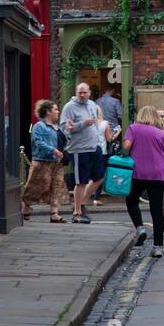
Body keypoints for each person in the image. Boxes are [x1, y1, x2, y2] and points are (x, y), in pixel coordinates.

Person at [120, 105, 164, 257]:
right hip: (157, 176)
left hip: (137, 174)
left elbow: (126, 147)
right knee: (157, 209)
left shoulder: (133, 129)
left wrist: (124, 152)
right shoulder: (162, 135)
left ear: (140, 115)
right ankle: (158, 247)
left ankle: (140, 228)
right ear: (155, 116)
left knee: (132, 200)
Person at [59, 81, 105, 224]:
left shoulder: (92, 104)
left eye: (85, 92)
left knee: (99, 177)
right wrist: (82, 124)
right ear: (76, 92)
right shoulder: (69, 107)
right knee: (81, 182)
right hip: (79, 149)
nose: (83, 95)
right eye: (80, 92)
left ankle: (81, 204)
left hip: (94, 147)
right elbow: (64, 128)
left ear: (90, 93)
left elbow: (95, 124)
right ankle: (77, 212)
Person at [22, 99, 67, 224]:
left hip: (57, 163)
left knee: (56, 187)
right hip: (42, 162)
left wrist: (68, 130)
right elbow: (38, 142)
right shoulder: (39, 126)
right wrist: (53, 150)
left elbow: (64, 142)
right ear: (48, 112)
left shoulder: (57, 128)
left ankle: (54, 214)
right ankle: (25, 207)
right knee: (35, 188)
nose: (58, 112)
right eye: (56, 109)